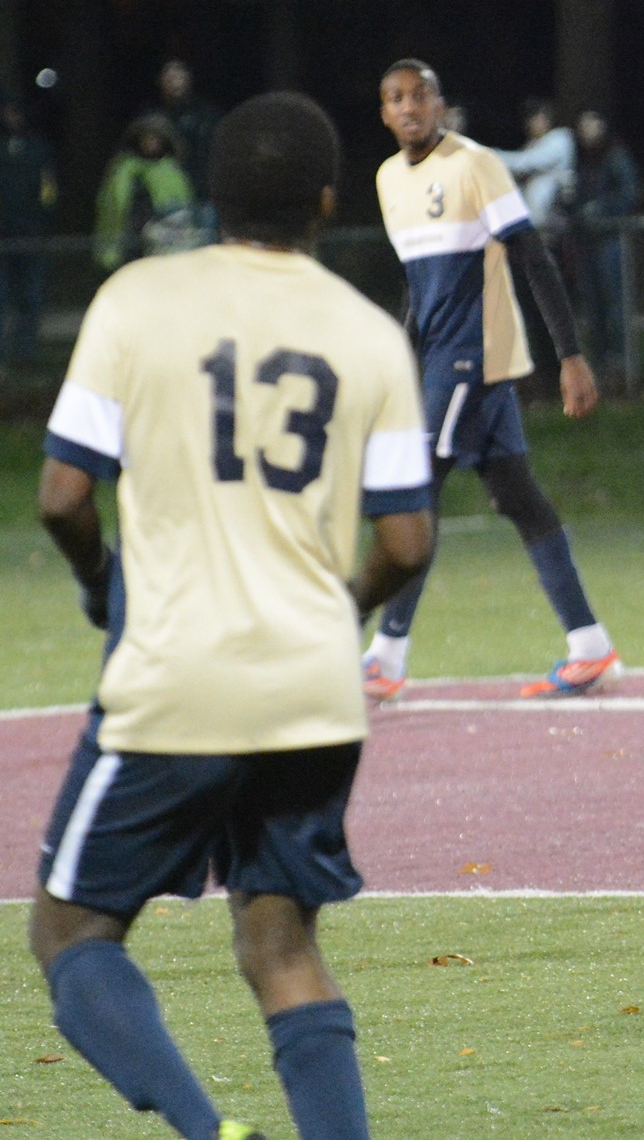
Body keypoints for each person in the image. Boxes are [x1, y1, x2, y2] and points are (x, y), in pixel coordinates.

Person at [30, 91, 435, 1140]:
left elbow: (63, 496)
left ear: (212, 196)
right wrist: (336, 612)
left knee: (71, 928)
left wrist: (100, 582)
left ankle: (209, 1132)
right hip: (311, 689)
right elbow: (406, 543)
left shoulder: (137, 300)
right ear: (328, 201)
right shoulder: (367, 333)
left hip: (175, 675)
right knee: (282, 947)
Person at [361, 60, 620, 701]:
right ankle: (589, 645)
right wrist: (402, 363)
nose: (410, 107)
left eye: (421, 95)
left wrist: (571, 355)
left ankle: (385, 656)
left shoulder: (474, 164)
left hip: (471, 357)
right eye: (396, 98)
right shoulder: (389, 179)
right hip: (441, 362)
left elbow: (532, 255)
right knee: (518, 497)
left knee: (415, 489)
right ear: (384, 113)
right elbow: (421, 288)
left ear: (440, 104)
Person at [566, 108, 640, 390]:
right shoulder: (579, 161)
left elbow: (629, 195)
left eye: (593, 125)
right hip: (587, 243)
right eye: (583, 127)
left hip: (610, 241)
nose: (588, 132)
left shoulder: (615, 157)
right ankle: (598, 366)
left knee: (615, 306)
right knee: (593, 308)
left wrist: (601, 211)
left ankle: (622, 367)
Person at [0, 88, 58, 367]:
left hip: (31, 234)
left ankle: (25, 352)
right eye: (8, 112)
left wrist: (42, 220)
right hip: (3, 236)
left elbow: (49, 190)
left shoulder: (39, 149)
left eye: (16, 112)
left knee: (30, 295)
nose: (12, 117)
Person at [92, 113, 195, 269]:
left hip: (161, 241)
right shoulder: (122, 168)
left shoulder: (171, 171)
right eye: (145, 137)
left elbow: (182, 208)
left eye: (154, 138)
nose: (149, 143)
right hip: (127, 238)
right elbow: (110, 203)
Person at [156, 60, 222, 235]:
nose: (175, 82)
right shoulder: (155, 118)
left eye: (179, 77)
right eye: (170, 77)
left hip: (204, 195)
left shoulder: (206, 115)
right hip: (169, 197)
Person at [496, 98, 576, 236]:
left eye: (538, 117)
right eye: (531, 119)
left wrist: (491, 155)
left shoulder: (560, 139)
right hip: (533, 224)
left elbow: (526, 162)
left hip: (554, 216)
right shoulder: (533, 144)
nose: (534, 123)